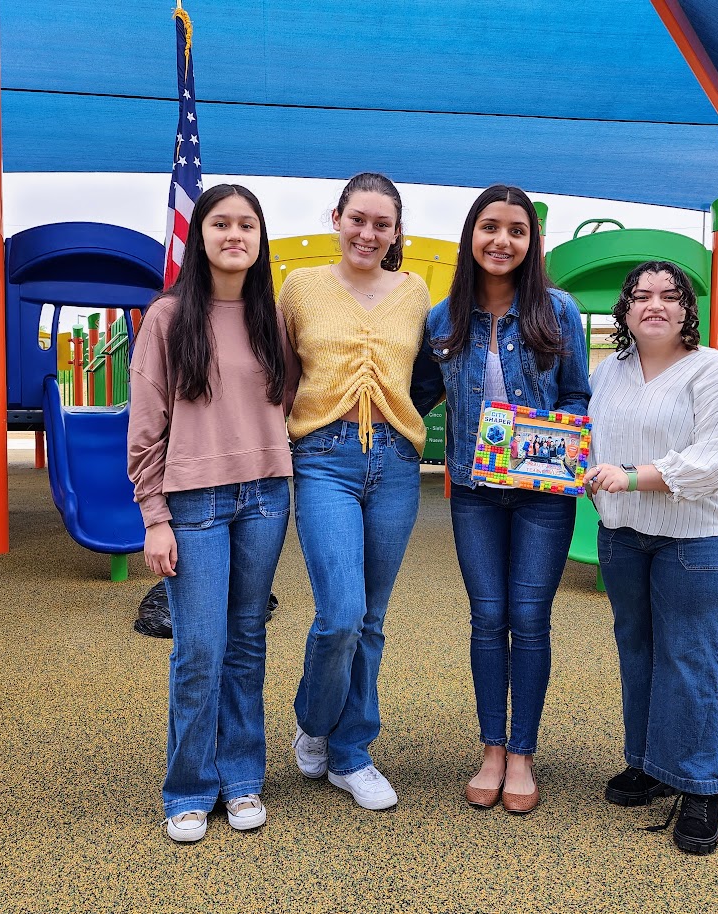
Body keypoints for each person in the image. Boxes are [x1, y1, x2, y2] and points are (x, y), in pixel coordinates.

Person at [412, 184, 591, 814]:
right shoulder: (442, 319)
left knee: (530, 617)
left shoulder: (558, 312)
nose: (501, 241)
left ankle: (523, 754)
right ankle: (491, 748)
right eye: (490, 227)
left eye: (516, 230)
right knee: (488, 619)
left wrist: (551, 444)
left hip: (542, 492)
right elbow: (418, 395)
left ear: (530, 242)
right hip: (474, 493)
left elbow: (577, 395)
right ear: (471, 236)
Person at [127, 183, 292, 842]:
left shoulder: (271, 318)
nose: (234, 235)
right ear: (199, 236)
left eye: (246, 225)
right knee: (200, 648)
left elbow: (286, 397)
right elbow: (147, 421)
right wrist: (153, 514)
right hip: (194, 502)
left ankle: (242, 778)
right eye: (220, 223)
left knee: (246, 645)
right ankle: (190, 787)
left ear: (259, 239)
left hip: (265, 496)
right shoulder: (169, 317)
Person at [584, 260, 718, 854]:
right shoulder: (610, 372)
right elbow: (591, 439)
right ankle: (651, 764)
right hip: (625, 536)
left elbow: (717, 461)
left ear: (687, 309)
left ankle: (699, 785)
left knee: (686, 656)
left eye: (668, 295)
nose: (653, 305)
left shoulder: (713, 372)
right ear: (625, 311)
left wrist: (630, 478)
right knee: (638, 650)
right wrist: (576, 469)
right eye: (640, 296)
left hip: (698, 540)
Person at [280, 173, 432, 811]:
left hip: (396, 461)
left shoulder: (415, 293)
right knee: (339, 612)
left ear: (396, 232)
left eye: (382, 224)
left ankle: (352, 752)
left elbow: (431, 370)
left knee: (371, 619)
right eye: (358, 219)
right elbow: (277, 369)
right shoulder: (300, 287)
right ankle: (314, 720)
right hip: (322, 459)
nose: (368, 233)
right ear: (337, 217)